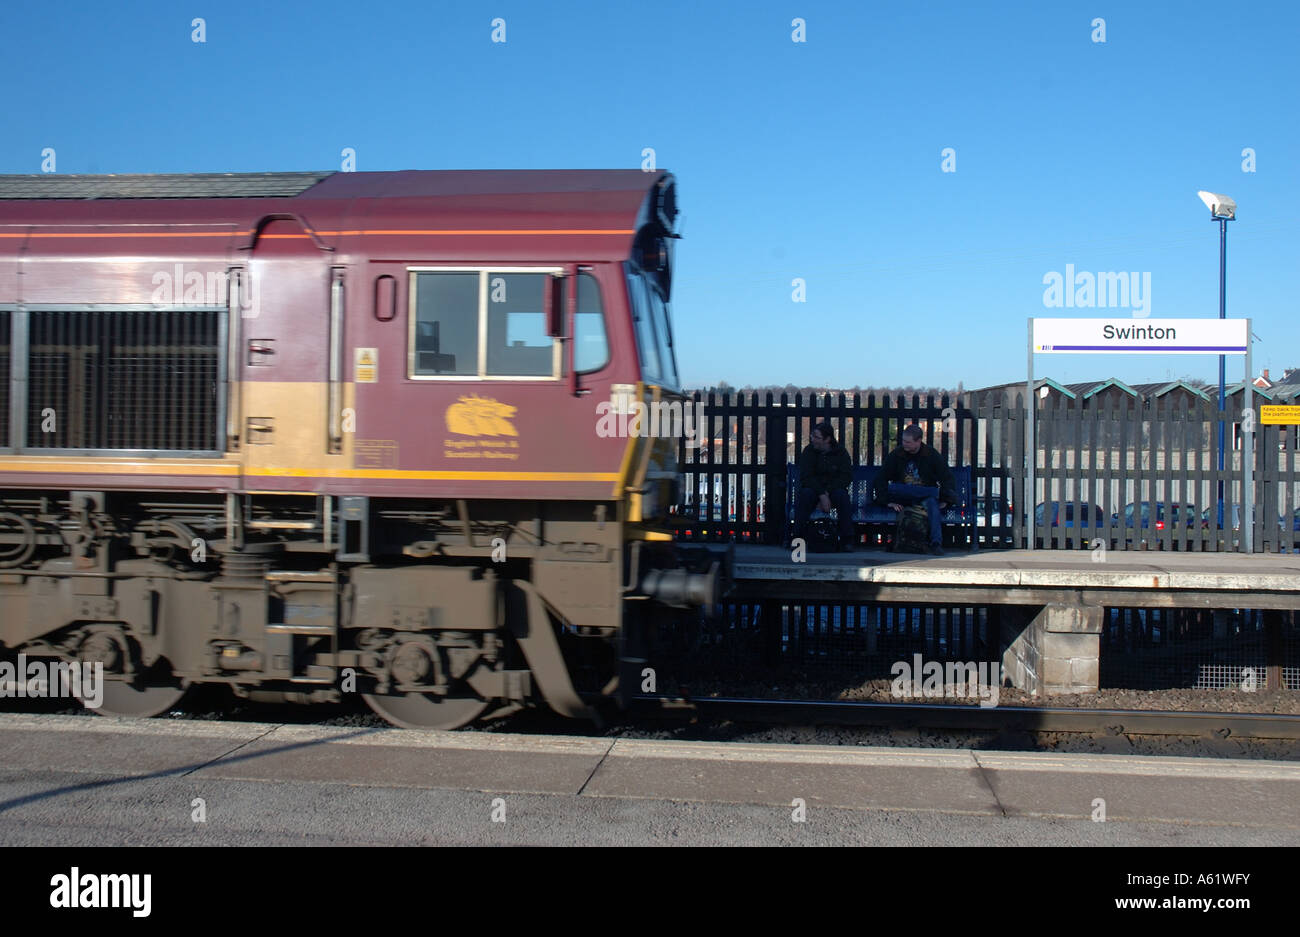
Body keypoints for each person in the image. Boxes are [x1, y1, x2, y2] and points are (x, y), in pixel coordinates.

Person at [873, 424, 957, 555]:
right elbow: (881, 478)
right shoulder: (897, 454)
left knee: (932, 505)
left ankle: (936, 543)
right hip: (903, 494)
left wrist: (946, 501)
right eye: (903, 441)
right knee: (897, 488)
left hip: (923, 497)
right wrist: (886, 501)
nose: (904, 444)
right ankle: (936, 493)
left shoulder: (931, 454)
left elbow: (947, 477)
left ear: (918, 441)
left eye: (908, 442)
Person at [794, 422, 856, 552]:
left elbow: (845, 477)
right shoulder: (808, 451)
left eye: (817, 437)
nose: (813, 440)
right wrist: (822, 494)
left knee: (842, 496)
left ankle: (847, 539)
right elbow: (806, 477)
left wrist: (827, 493)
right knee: (805, 495)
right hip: (814, 490)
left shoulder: (841, 453)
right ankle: (797, 538)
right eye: (812, 436)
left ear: (827, 439)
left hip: (833, 490)